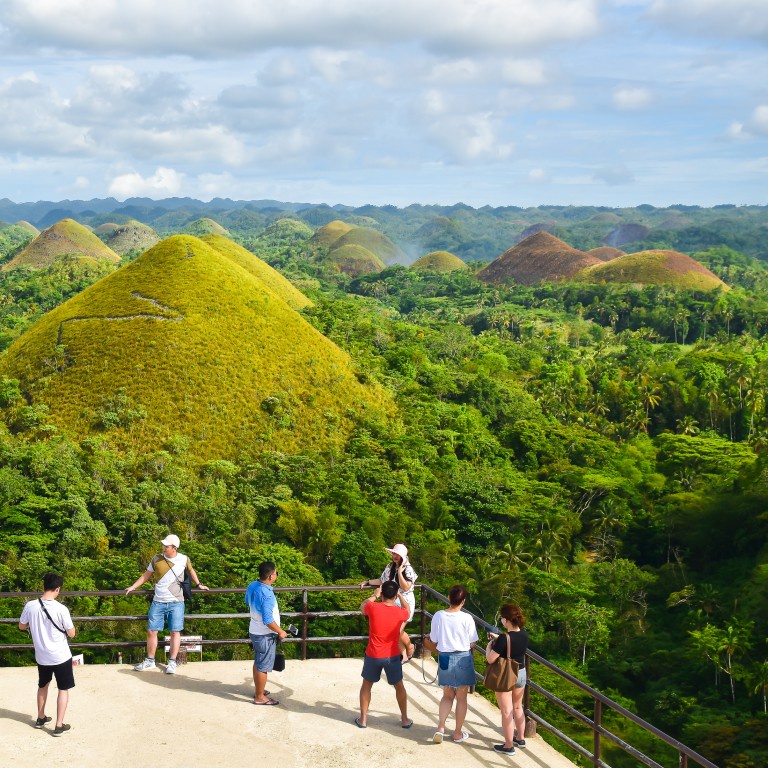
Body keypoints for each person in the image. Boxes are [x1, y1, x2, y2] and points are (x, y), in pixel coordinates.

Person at [125, 534, 209, 675]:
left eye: (166, 546)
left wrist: (199, 584)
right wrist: (133, 586)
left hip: (177, 601)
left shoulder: (184, 559)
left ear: (174, 548)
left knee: (175, 632)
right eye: (163, 545)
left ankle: (172, 661)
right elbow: (146, 575)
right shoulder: (156, 558)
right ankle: (150, 660)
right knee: (152, 631)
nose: (163, 548)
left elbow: (191, 570)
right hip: (158, 600)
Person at [18, 573, 77, 736]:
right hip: (60, 656)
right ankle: (59, 725)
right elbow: (71, 633)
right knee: (63, 689)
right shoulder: (61, 609)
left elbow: (21, 626)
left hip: (42, 656)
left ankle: (40, 718)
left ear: (44, 587)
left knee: (43, 685)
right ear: (57, 589)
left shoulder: (30, 606)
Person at [356, 580, 412, 729]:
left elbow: (363, 606)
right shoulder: (400, 612)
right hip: (392, 656)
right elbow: (408, 610)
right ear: (395, 596)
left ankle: (363, 719)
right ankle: (405, 719)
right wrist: (400, 595)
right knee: (399, 686)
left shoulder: (373, 607)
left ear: (382, 594)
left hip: (373, 654)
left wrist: (374, 595)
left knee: (366, 686)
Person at [428, 584, 478, 744]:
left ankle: (441, 728)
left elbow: (433, 640)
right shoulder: (467, 618)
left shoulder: (439, 615)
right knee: (461, 698)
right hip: (463, 658)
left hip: (444, 657)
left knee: (447, 695)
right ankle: (457, 733)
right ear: (463, 601)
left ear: (449, 597)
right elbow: (472, 642)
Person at [360, 543, 417, 663]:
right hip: (392, 600)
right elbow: (382, 581)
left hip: (405, 601)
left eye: (397, 554)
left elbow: (406, 587)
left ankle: (409, 647)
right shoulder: (390, 566)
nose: (395, 556)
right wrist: (368, 582)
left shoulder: (408, 569)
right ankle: (404, 655)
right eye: (394, 553)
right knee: (393, 630)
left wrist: (400, 573)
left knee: (398, 630)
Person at [485, 603, 529, 755]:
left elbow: (491, 659)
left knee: (506, 711)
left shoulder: (504, 638)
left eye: (502, 618)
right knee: (517, 707)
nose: (501, 620)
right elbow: (512, 642)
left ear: (507, 620)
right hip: (521, 672)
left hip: (506, 676)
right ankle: (520, 739)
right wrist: (499, 639)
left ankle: (508, 746)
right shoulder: (524, 634)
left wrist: (489, 646)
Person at [246, 561, 288, 705]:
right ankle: (260, 697)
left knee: (258, 661)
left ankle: (259, 690)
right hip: (265, 634)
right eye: (276, 573)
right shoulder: (267, 594)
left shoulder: (253, 585)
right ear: (270, 576)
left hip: (254, 629)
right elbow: (268, 620)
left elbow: (247, 601)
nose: (276, 575)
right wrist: (280, 631)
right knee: (263, 666)